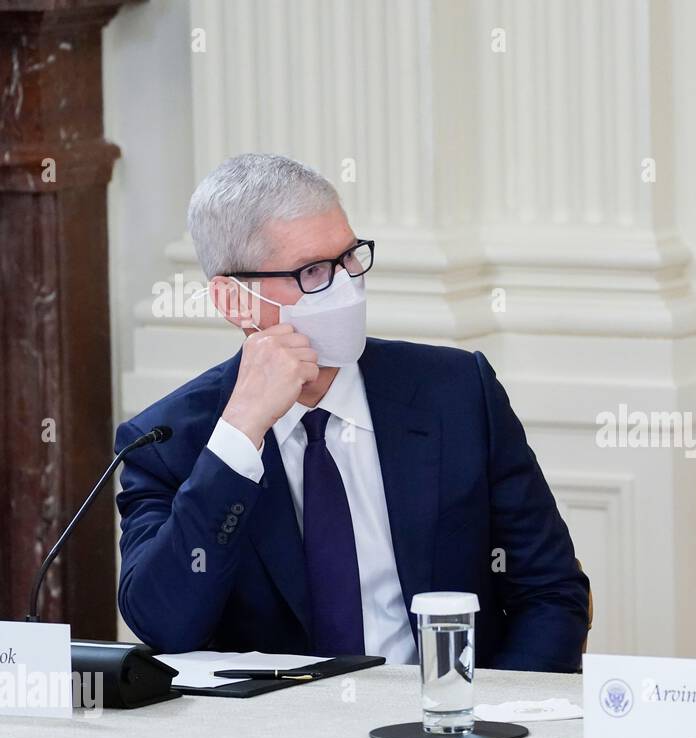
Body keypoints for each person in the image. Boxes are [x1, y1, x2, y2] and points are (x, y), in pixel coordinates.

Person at [115, 153, 589, 671]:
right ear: (235, 301)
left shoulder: (456, 393)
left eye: (350, 258)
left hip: (447, 724)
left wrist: (486, 720)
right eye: (313, 271)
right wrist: (240, 431)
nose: (346, 285)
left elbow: (550, 593)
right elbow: (166, 624)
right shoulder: (166, 441)